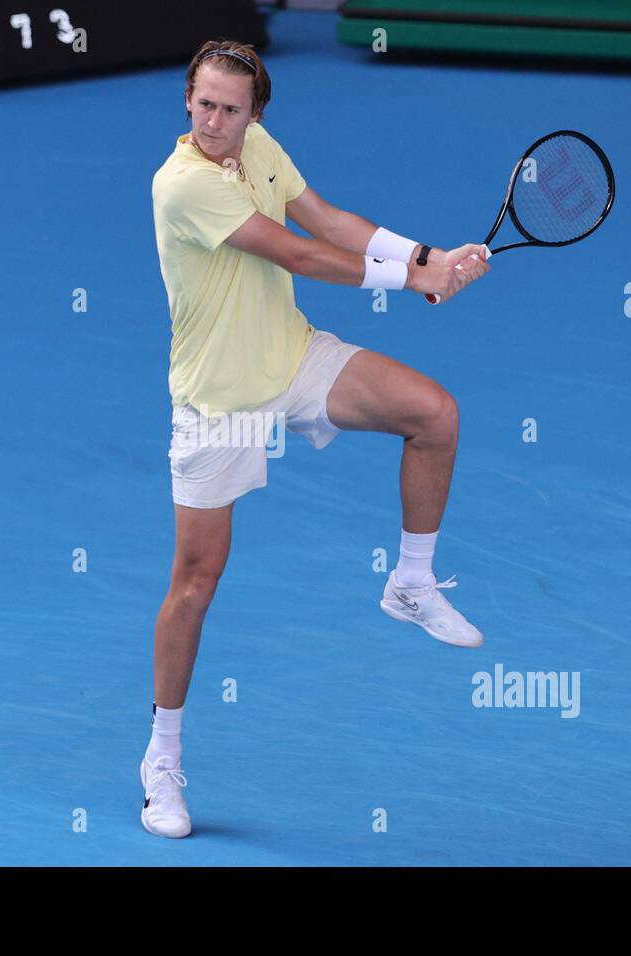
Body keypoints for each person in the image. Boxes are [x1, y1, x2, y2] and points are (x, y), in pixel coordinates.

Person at [143, 39, 490, 839]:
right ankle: (161, 758)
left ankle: (410, 582)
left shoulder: (255, 147)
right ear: (186, 101)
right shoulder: (181, 184)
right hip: (218, 401)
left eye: (231, 108)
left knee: (434, 414)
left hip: (292, 356)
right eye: (204, 104)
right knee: (195, 582)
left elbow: (327, 218)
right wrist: (416, 282)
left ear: (254, 112)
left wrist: (427, 255)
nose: (216, 121)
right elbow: (295, 251)